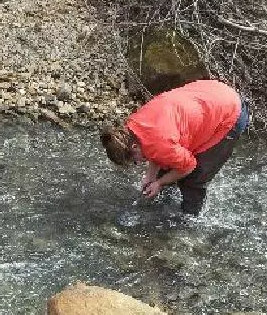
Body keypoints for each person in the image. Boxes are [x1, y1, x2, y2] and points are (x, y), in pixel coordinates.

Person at [100, 79, 249, 216]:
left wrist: (159, 183)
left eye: (134, 161)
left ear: (134, 146)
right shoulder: (135, 124)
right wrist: (151, 176)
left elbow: (188, 166)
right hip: (211, 92)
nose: (138, 163)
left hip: (231, 113)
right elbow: (154, 148)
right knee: (168, 166)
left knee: (194, 179)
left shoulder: (161, 143)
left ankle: (189, 222)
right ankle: (164, 204)